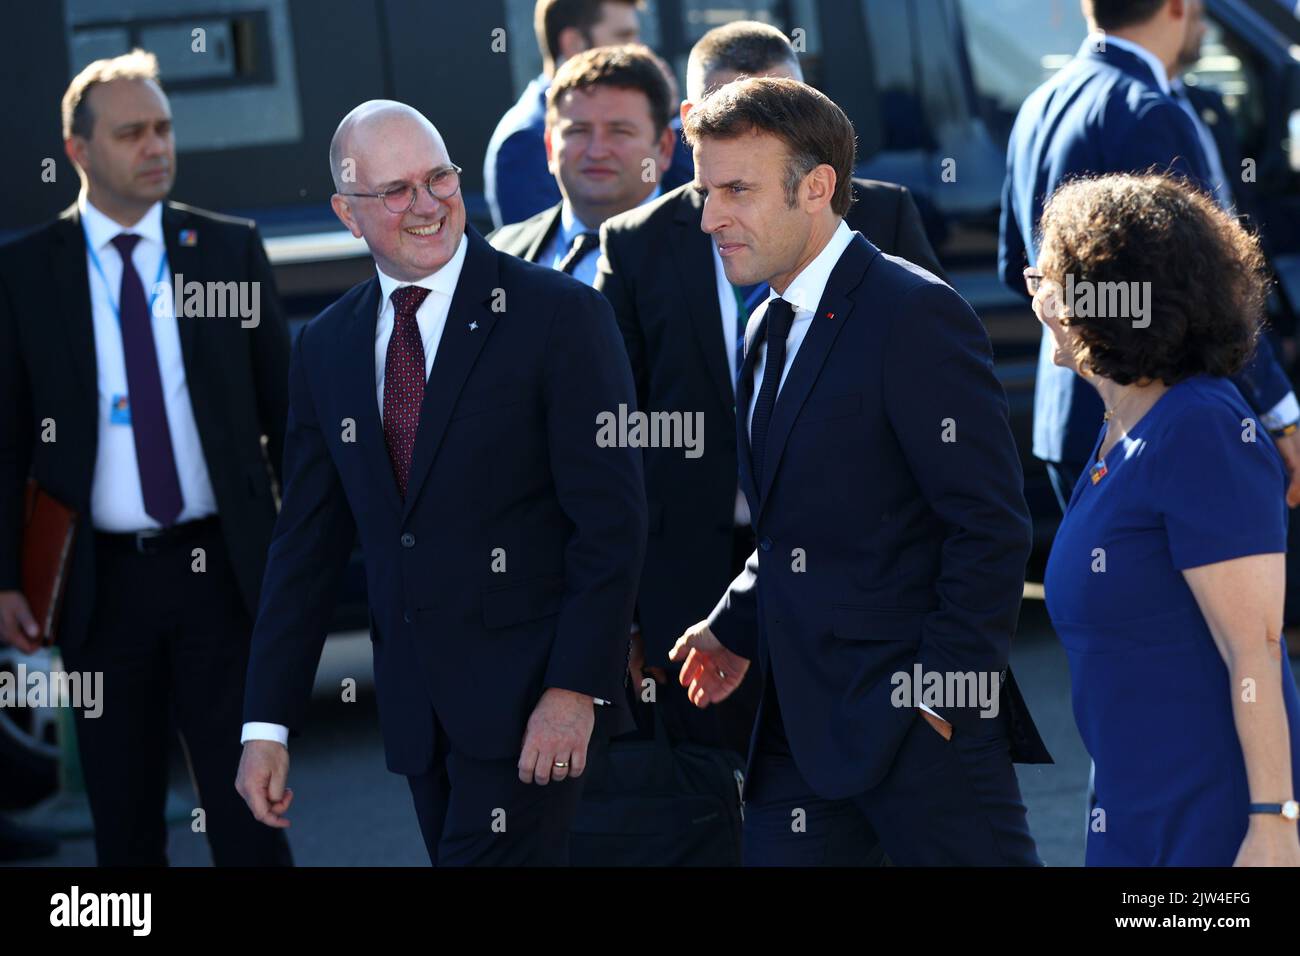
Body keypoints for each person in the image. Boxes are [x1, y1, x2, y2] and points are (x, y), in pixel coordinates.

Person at [234, 100, 647, 866]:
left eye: (439, 178)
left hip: (533, 712)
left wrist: (574, 691)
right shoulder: (327, 349)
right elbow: (305, 551)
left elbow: (612, 524)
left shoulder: (560, 317)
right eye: (396, 191)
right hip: (420, 721)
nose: (427, 205)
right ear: (347, 214)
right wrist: (267, 727)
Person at [667, 77, 1049, 866]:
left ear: (817, 188)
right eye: (704, 191)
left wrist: (947, 692)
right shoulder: (760, 321)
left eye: (736, 189)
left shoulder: (913, 313)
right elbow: (801, 519)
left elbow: (989, 523)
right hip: (796, 727)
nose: (709, 217)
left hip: (919, 731)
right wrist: (735, 622)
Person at [595, 20, 946, 759]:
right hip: (696, 580)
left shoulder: (881, 218)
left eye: (781, 111)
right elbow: (612, 441)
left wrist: (952, 659)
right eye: (729, 119)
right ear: (690, 124)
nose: (754, 135)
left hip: (857, 585)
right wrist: (623, 612)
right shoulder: (635, 243)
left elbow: (945, 448)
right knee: (722, 809)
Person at [0, 50, 292, 867]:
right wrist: (4, 580)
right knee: (123, 825)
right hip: (99, 588)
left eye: (164, 128)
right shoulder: (25, 273)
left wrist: (295, 560)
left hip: (223, 579)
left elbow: (287, 419)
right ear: (79, 150)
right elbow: (8, 440)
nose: (156, 146)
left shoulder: (226, 251)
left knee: (252, 815)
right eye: (132, 132)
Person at [1034, 173, 1300, 866]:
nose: (1034, 293)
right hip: (1132, 808)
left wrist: (1274, 824)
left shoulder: (1201, 430)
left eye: (1049, 277)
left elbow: (1256, 647)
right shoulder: (1121, 423)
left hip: (1211, 817)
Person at [998, 0, 1300, 514]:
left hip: (1069, 420)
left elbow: (1016, 267)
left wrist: (1082, 311)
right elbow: (1207, 295)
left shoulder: (1041, 101)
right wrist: (1281, 415)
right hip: (1148, 420)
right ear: (1177, 6)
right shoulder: (1148, 111)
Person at [488, 44, 675, 285]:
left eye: (619, 131)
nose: (597, 151)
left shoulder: (710, 254)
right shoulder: (499, 255)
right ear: (550, 147)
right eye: (578, 131)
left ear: (664, 147)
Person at [484, 0, 642, 228]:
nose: (639, 50)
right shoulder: (527, 139)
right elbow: (544, 254)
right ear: (574, 43)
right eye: (623, 37)